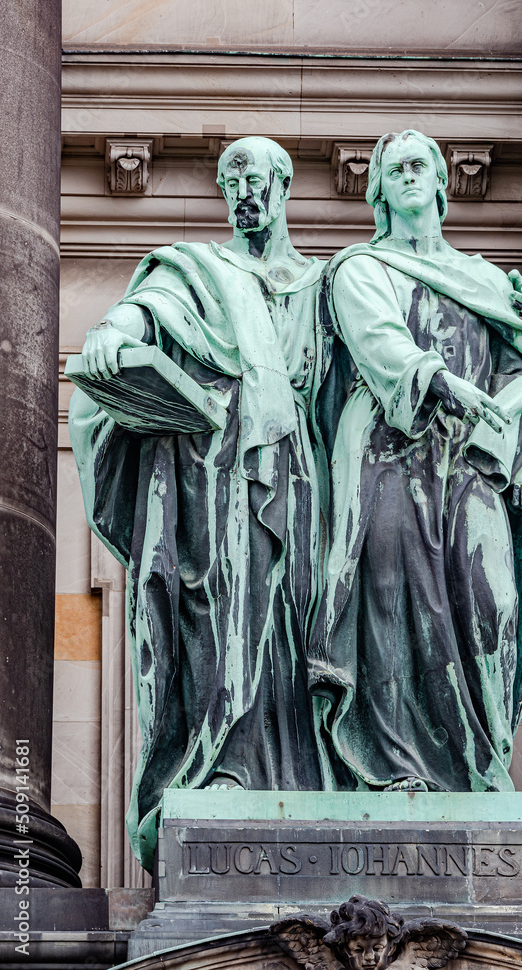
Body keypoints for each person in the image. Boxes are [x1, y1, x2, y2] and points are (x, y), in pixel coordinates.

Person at [70, 137, 324, 870]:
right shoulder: (197, 269)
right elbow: (142, 313)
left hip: (306, 484)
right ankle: (222, 766)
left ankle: (308, 775)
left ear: (284, 186)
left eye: (256, 176)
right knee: (221, 613)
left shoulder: (325, 282)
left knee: (298, 626)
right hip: (215, 476)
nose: (244, 189)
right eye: (230, 178)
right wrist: (114, 333)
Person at [309, 130, 522, 793]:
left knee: (494, 600)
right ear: (379, 189)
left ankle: (483, 762)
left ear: (443, 182)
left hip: (472, 460)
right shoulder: (360, 269)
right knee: (392, 605)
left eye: (421, 165)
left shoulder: (482, 278)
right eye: (395, 169)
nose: (409, 176)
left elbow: (517, 371)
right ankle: (397, 769)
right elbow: (381, 346)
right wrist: (448, 385)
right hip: (388, 455)